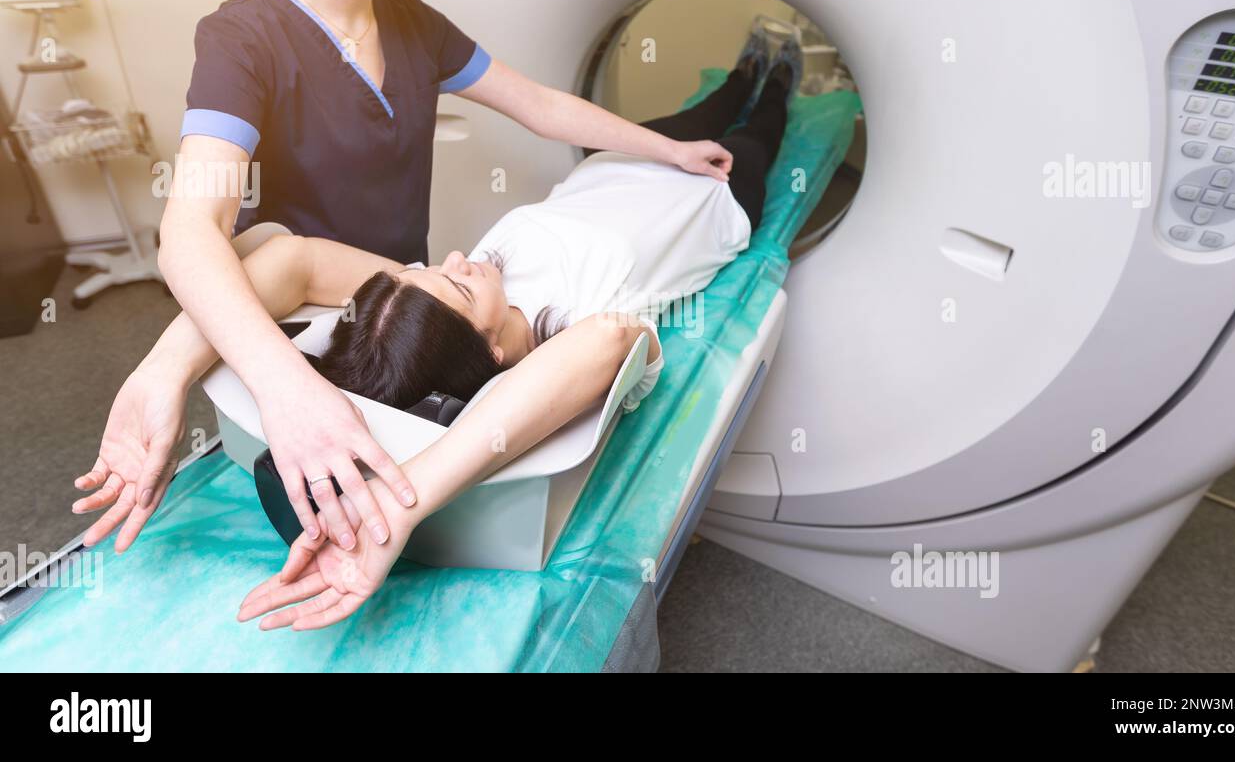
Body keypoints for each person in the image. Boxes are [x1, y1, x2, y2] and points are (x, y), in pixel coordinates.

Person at [91, 43, 797, 630]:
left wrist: (165, 371)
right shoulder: (567, 340)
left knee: (714, 98)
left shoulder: (431, 300)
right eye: (457, 281)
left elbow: (290, 261)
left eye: (433, 270)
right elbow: (611, 343)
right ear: (487, 352)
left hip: (616, 166)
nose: (456, 260)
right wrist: (399, 507)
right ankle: (779, 78)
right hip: (712, 198)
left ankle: (744, 65)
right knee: (759, 123)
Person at [72, 0, 736, 554]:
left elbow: (537, 104)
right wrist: (184, 375)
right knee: (260, 248)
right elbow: (193, 232)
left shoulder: (407, 19)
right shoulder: (244, 39)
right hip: (309, 326)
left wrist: (666, 150)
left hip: (409, 310)